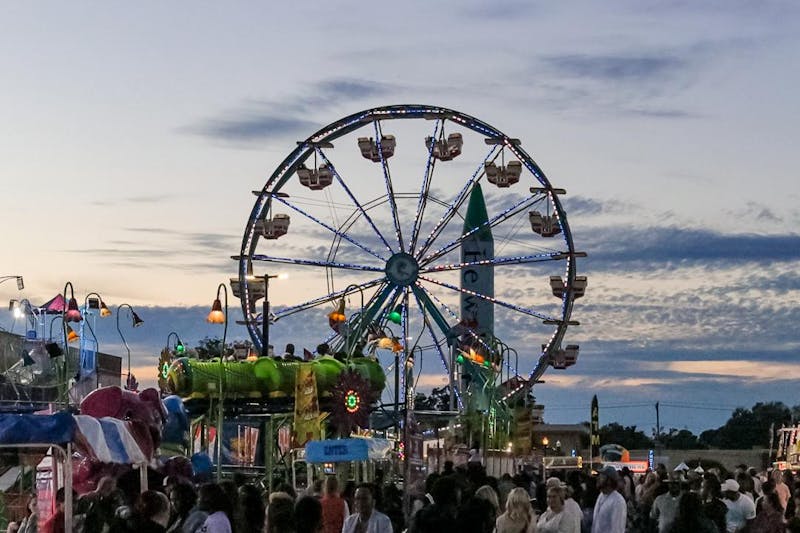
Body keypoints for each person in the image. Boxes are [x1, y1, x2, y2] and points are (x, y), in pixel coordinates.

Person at [591, 467, 626, 533]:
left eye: (601, 477)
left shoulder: (618, 501)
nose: (598, 478)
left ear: (609, 480)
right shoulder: (601, 496)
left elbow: (617, 529)